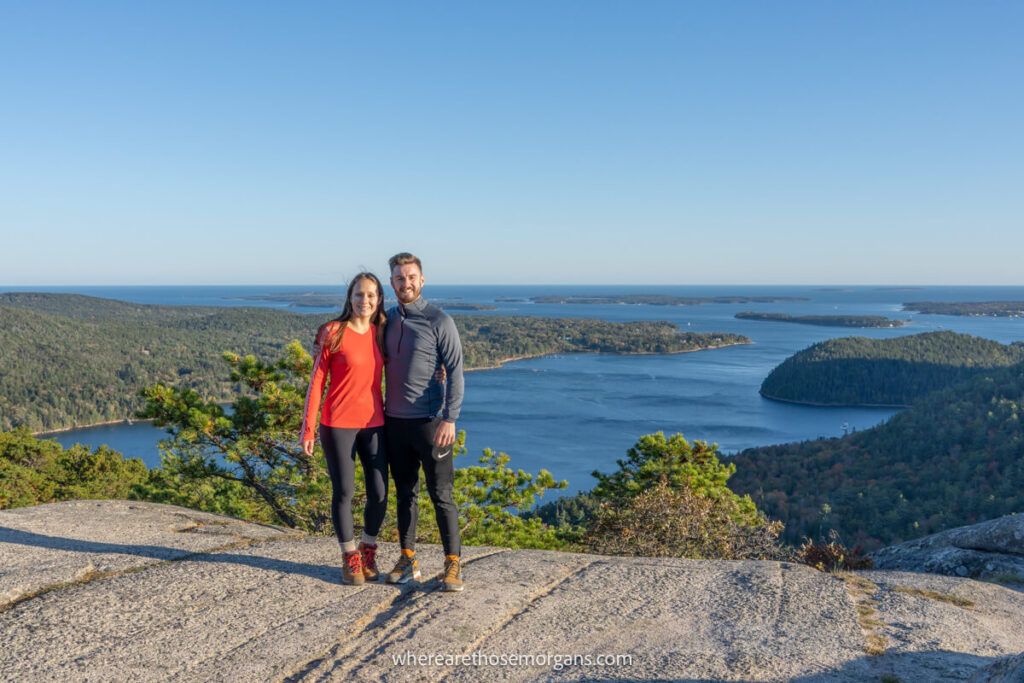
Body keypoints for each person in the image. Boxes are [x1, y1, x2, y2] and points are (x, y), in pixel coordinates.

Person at [382, 252, 466, 592]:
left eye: (412, 277)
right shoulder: (386, 320)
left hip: (431, 424)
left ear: (422, 279)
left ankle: (453, 564)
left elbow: (457, 370)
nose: (406, 283)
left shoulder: (439, 320)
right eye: (400, 278)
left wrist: (450, 418)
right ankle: (407, 558)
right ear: (392, 283)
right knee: (405, 494)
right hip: (394, 423)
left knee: (441, 495)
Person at [301, 273, 389, 585]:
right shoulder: (332, 332)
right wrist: (308, 429)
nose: (365, 300)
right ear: (349, 297)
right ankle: (349, 556)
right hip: (337, 423)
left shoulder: (383, 332)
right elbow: (317, 382)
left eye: (371, 295)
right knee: (345, 492)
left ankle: (368, 549)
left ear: (378, 299)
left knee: (379, 492)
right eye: (359, 294)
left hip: (375, 423)